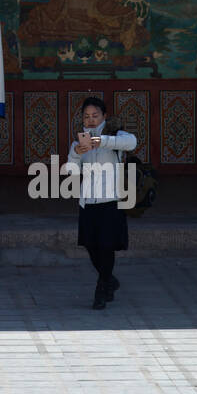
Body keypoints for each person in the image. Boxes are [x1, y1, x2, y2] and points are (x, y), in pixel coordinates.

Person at [65, 95, 136, 310]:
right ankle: (110, 280)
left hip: (110, 200)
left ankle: (101, 289)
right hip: (88, 201)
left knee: (106, 246)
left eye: (95, 115)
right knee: (90, 245)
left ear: (104, 116)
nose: (91, 120)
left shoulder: (116, 135)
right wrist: (76, 154)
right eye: (87, 116)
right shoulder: (79, 142)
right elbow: (71, 170)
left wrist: (103, 141)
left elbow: (132, 142)